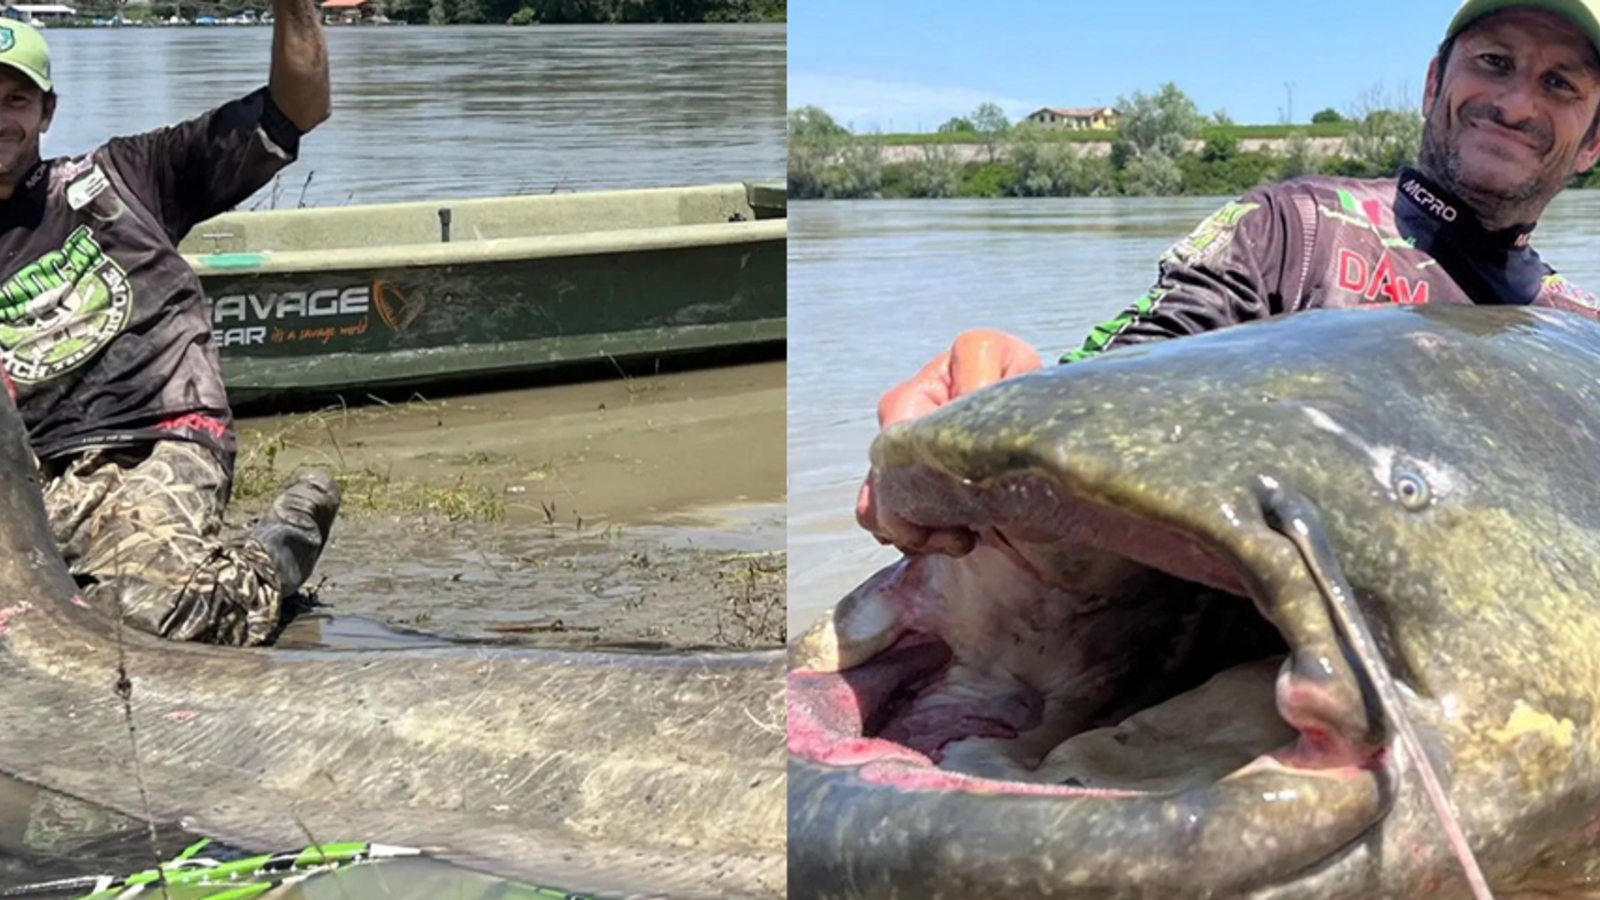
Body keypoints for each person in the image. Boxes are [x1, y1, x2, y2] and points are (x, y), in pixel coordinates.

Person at [859, 0, 1600, 556]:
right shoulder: (1292, 228)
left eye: (1559, 83)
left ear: (1595, 141)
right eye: (1493, 62)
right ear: (1435, 81)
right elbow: (1128, 376)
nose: (1515, 103)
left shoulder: (1581, 333)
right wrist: (1009, 393)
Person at [0, 7, 340, 646]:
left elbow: (298, 107)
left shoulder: (124, 177)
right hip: (33, 477)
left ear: (47, 112)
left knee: (147, 617)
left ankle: (274, 554)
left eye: (15, 100)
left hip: (156, 439)